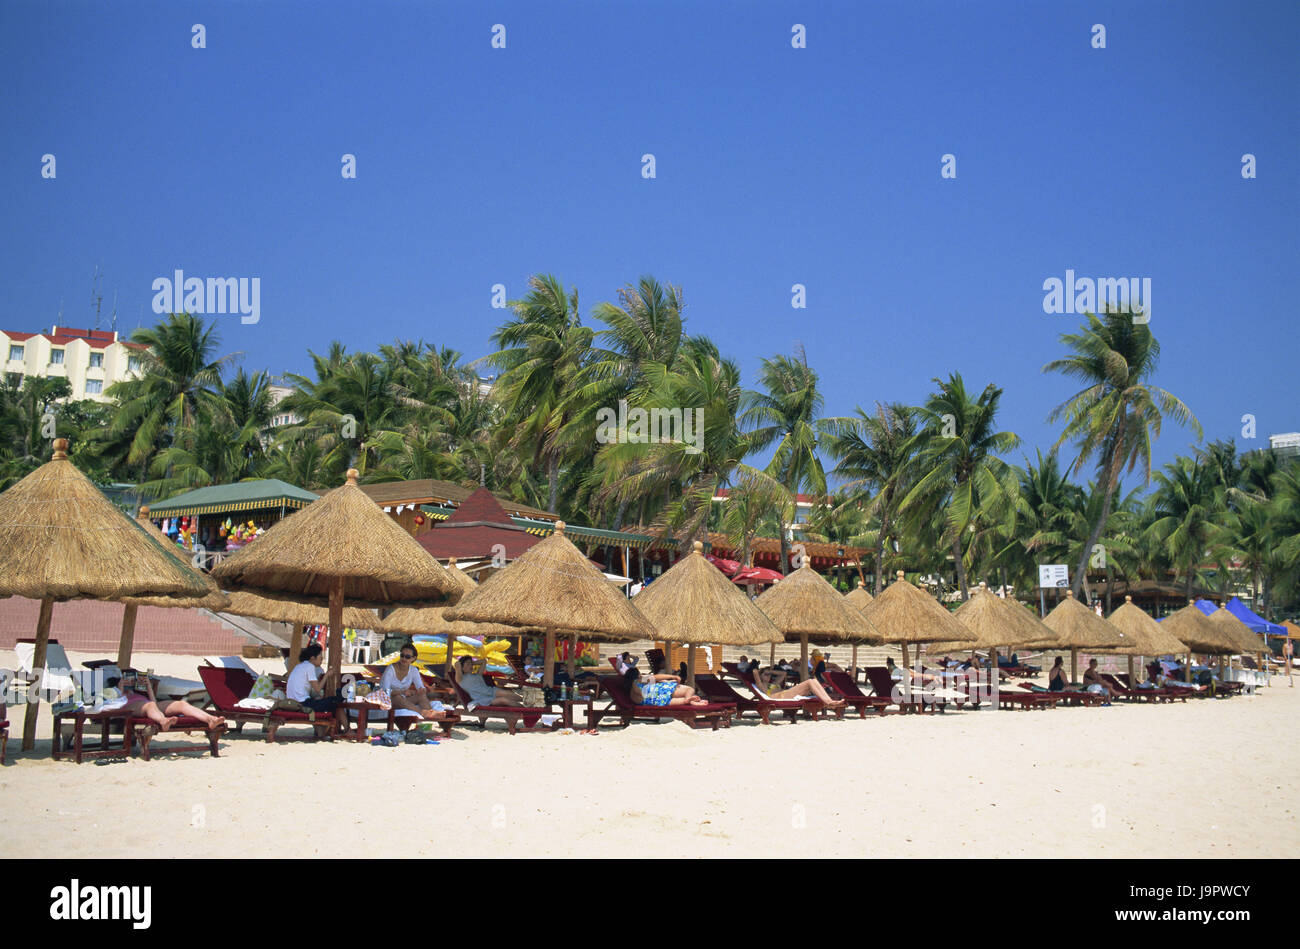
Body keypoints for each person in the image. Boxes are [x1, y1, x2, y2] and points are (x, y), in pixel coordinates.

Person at [116, 671, 225, 734]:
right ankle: (163, 721)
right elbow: (118, 704)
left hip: (151, 705)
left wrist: (148, 686)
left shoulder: (135, 692)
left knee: (181, 704)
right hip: (128, 706)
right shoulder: (117, 693)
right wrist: (120, 686)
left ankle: (210, 719)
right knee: (150, 706)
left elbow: (153, 701)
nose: (129, 682)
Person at [286, 644, 348, 730]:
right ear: (312, 658)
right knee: (337, 700)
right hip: (303, 705)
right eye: (320, 657)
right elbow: (318, 689)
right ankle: (347, 730)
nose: (321, 659)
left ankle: (328, 730)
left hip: (294, 703)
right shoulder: (310, 667)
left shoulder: (300, 666)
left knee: (331, 700)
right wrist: (326, 675)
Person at [380, 646, 448, 721]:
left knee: (421, 696)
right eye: (402, 655)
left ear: (413, 658)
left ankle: (430, 714)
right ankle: (423, 712)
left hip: (403, 700)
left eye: (407, 657)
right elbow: (385, 692)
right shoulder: (391, 668)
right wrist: (402, 692)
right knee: (397, 697)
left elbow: (420, 687)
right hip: (387, 701)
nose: (404, 659)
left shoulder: (413, 670)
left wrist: (422, 690)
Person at [451, 655, 522, 707]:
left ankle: (527, 703)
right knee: (504, 700)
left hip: (491, 691)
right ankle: (524, 710)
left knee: (507, 693)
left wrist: (472, 663)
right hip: (482, 699)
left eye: (471, 664)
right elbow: (457, 665)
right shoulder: (460, 679)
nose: (471, 666)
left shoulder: (477, 674)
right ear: (462, 667)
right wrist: (461, 665)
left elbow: (484, 661)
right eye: (468, 664)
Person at [624, 667, 708, 707]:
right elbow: (655, 678)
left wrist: (664, 681)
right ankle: (691, 700)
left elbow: (654, 679)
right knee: (690, 689)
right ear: (636, 675)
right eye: (639, 673)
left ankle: (690, 701)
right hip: (656, 694)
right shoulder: (637, 681)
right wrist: (671, 677)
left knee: (683, 700)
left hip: (655, 700)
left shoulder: (636, 683)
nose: (641, 675)